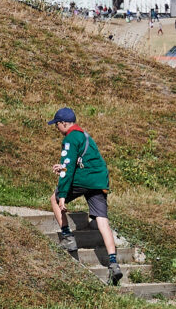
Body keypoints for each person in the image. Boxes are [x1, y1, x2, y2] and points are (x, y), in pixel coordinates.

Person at [49, 106, 122, 283]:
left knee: (54, 198)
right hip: (99, 180)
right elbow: (79, 160)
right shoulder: (84, 135)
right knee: (102, 219)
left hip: (84, 179)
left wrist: (63, 196)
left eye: (57, 125)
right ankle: (113, 263)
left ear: (63, 123)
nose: (57, 128)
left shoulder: (70, 138)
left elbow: (69, 168)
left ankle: (67, 237)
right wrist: (64, 166)